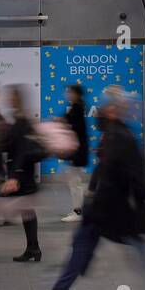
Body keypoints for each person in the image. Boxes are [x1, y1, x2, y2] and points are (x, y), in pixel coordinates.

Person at [44, 86, 145, 290]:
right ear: (111, 109)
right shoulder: (120, 136)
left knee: (85, 247)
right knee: (139, 246)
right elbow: (125, 174)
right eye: (121, 105)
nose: (126, 107)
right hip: (111, 207)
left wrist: (92, 195)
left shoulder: (111, 132)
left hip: (101, 205)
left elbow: (107, 170)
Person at [0, 85, 44, 262]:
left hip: (22, 173)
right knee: (26, 211)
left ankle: (33, 248)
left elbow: (22, 151)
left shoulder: (22, 122)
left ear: (17, 99)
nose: (7, 99)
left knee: (25, 210)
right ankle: (33, 248)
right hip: (22, 172)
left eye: (11, 97)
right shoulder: (19, 120)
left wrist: (15, 176)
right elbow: (12, 146)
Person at [58, 84, 89, 223]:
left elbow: (77, 130)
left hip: (77, 152)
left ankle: (79, 212)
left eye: (70, 92)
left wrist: (64, 124)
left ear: (76, 94)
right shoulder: (75, 107)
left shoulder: (77, 108)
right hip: (75, 152)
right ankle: (78, 210)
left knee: (75, 183)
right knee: (75, 183)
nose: (67, 94)